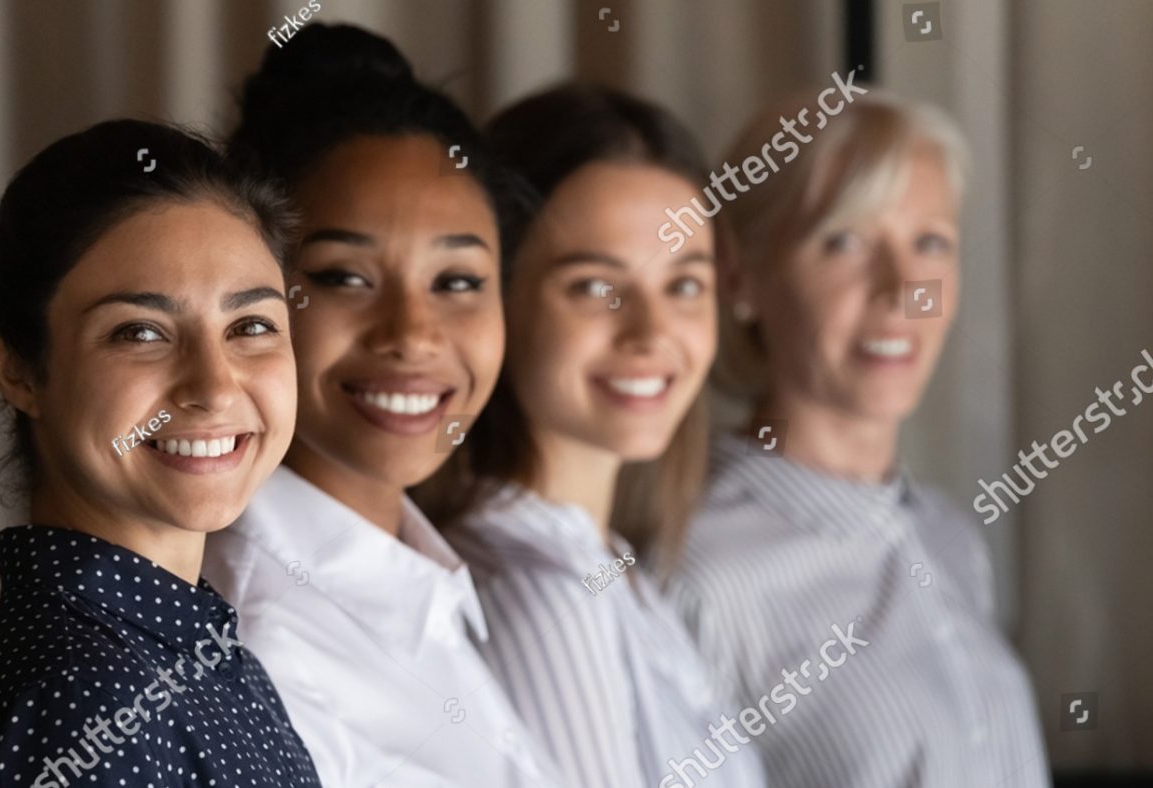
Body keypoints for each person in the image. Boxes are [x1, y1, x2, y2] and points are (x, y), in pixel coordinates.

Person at [201, 24, 559, 788]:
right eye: (346, 277)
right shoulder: (265, 647)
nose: (412, 335)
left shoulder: (424, 584)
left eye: (457, 281)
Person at [657, 93, 1050, 787]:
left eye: (930, 243)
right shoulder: (693, 570)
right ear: (740, 276)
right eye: (845, 241)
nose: (902, 291)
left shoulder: (951, 540)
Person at [0, 119, 321, 787]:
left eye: (250, 325)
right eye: (141, 332)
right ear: (18, 370)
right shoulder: (87, 694)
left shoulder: (182, 647)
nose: (214, 386)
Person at [414, 84, 767, 788]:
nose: (652, 333)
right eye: (596, 288)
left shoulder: (609, 566)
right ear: (494, 297)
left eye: (685, 285)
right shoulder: (543, 589)